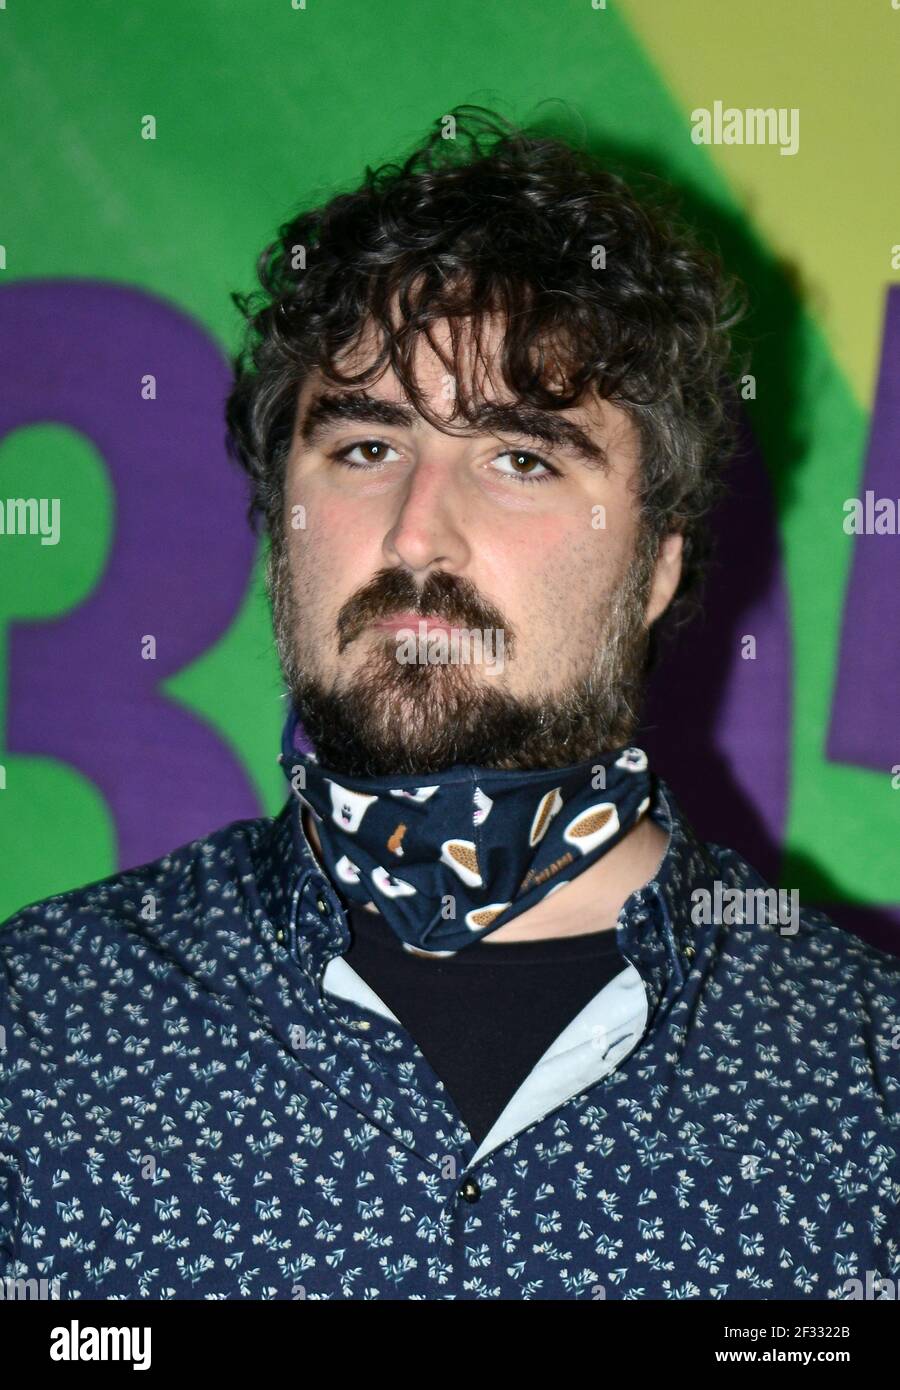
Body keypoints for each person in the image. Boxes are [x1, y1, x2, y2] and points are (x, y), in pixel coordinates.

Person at [1, 107, 898, 1302]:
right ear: (283, 529)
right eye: (365, 447)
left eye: (521, 458)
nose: (418, 531)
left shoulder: (869, 1090)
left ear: (659, 568)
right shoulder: (39, 1033)